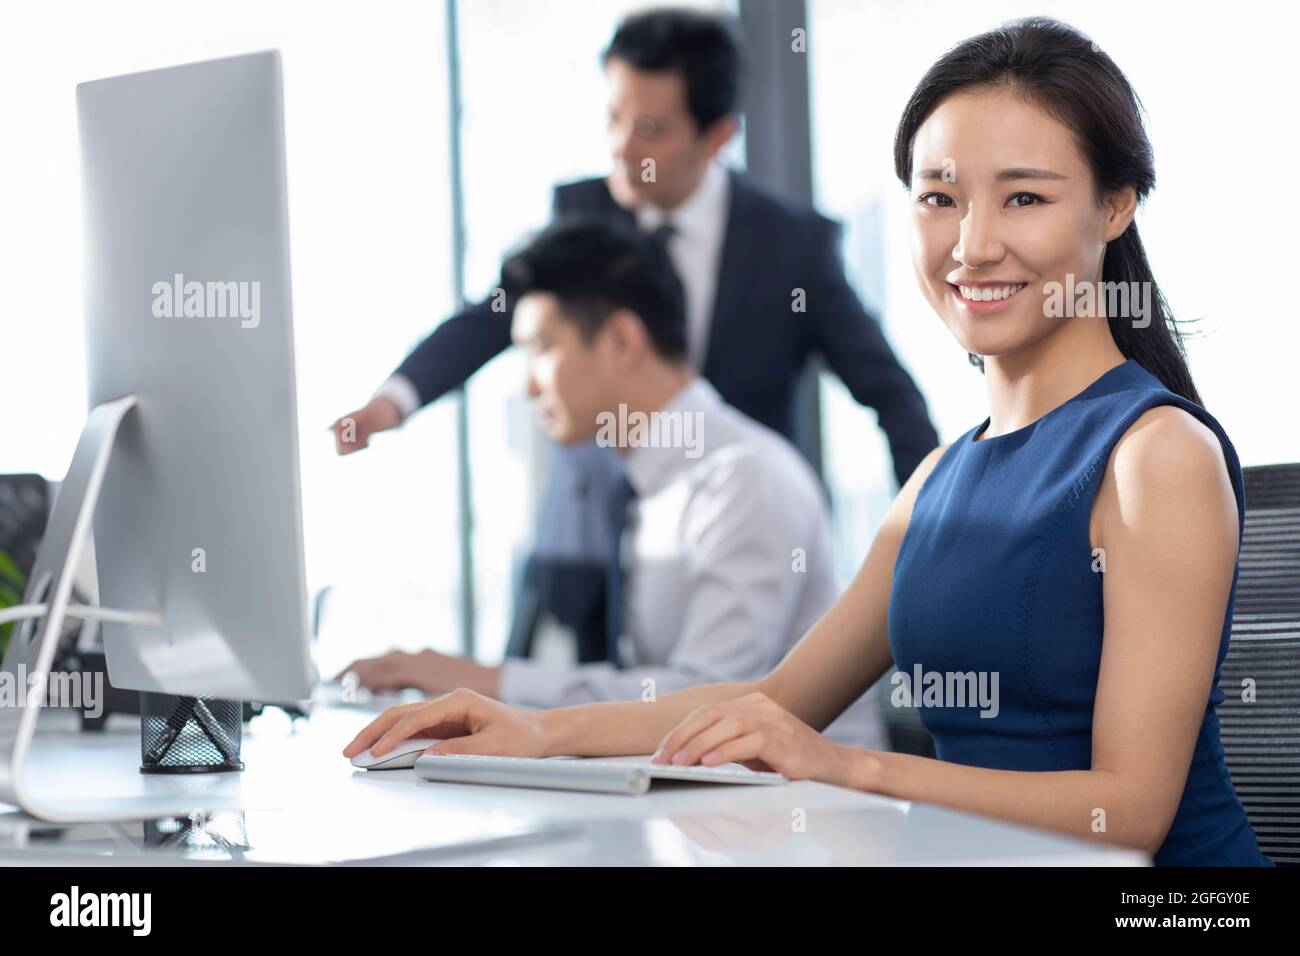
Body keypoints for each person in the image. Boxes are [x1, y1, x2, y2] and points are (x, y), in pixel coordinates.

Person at [344, 17, 1272, 866]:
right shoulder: (941, 478)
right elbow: (778, 700)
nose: (973, 244)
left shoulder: (1157, 456)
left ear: (1116, 207)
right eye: (938, 198)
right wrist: (541, 731)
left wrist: (845, 769)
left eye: (1023, 198)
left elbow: (1132, 812)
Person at [330, 7, 938, 663]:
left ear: (717, 137)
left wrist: (927, 549)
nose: (621, 145)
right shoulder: (582, 214)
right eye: (613, 118)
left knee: (680, 710)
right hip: (586, 542)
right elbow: (492, 317)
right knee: (568, 719)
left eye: (648, 129)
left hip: (730, 536)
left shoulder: (790, 246)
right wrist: (394, 401)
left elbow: (889, 395)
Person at [340, 219, 884, 748]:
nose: (529, 385)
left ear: (622, 340)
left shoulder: (743, 478)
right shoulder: (650, 482)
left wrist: (488, 683)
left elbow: (702, 700)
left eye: (542, 348)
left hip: (810, 818)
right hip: (727, 809)